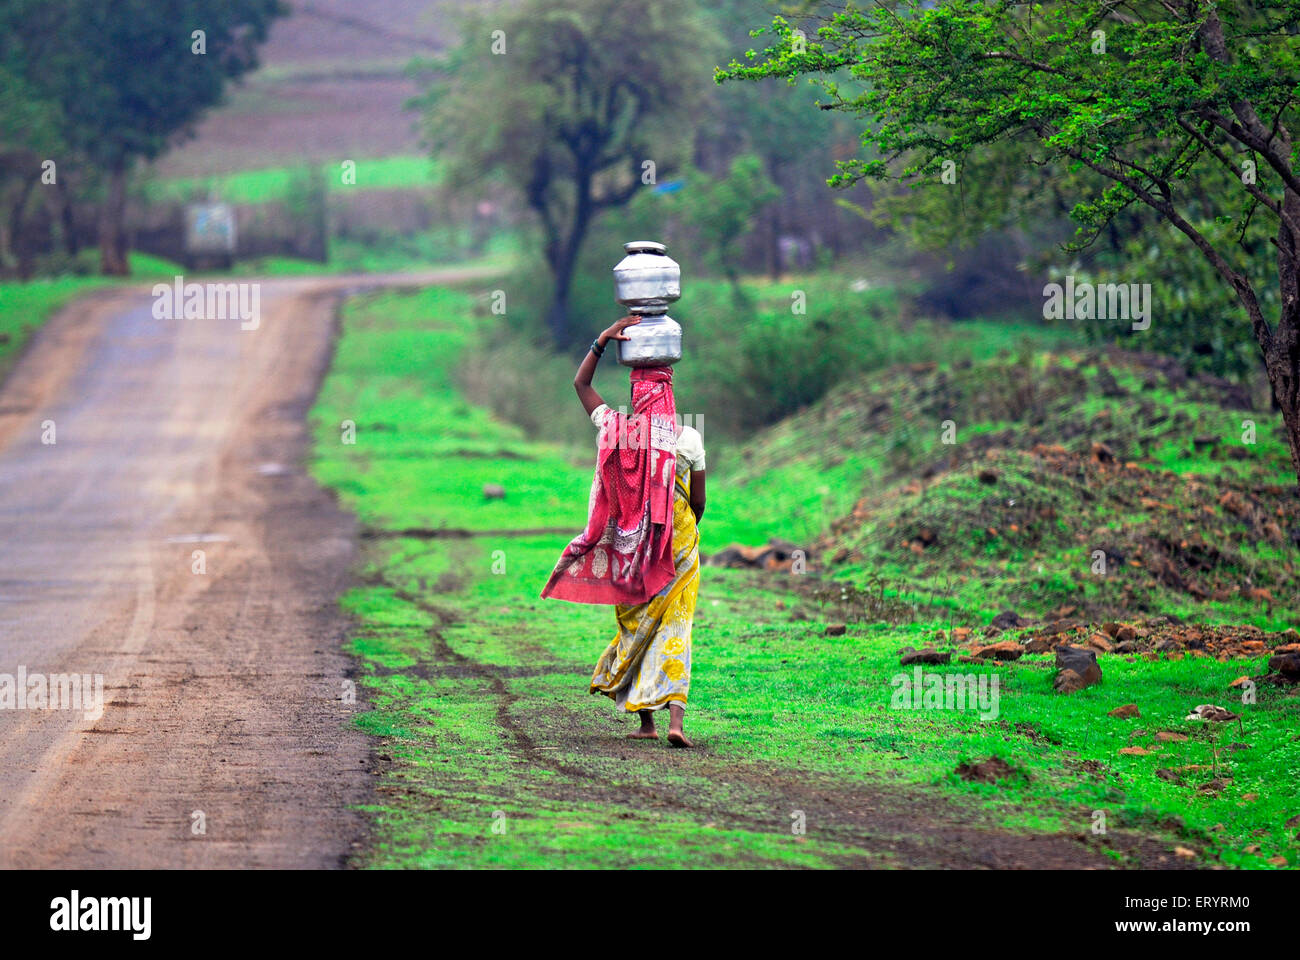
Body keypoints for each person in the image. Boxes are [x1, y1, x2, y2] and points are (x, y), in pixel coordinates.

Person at [540, 315, 705, 748]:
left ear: (635, 395)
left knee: (637, 621)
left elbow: (580, 386)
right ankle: (675, 722)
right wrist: (680, 533)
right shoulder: (687, 438)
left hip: (635, 549)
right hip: (679, 544)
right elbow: (701, 502)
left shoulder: (617, 429)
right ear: (669, 392)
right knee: (676, 626)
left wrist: (600, 341)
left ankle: (646, 722)